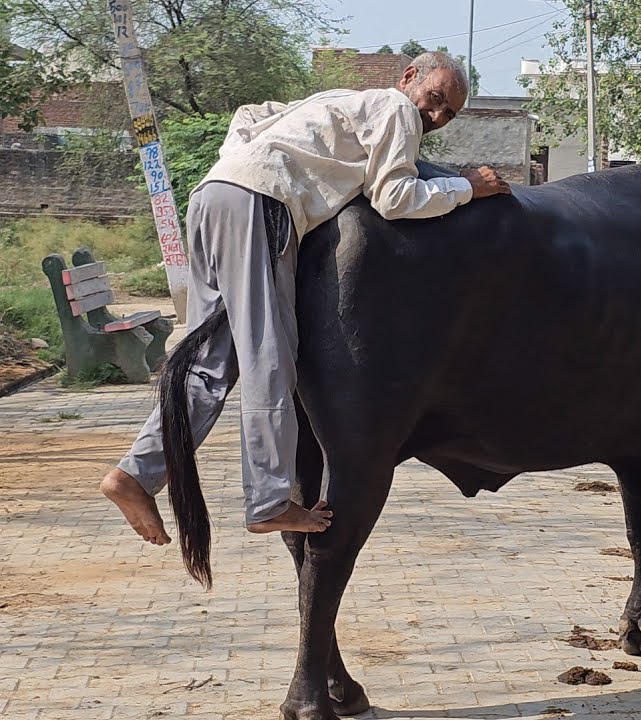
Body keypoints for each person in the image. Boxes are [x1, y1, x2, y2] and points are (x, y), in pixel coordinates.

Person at [100, 51, 511, 545]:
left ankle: (135, 475)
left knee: (211, 364)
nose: (437, 115)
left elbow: (249, 115)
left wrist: (241, 167)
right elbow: (394, 198)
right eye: (436, 97)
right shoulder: (395, 108)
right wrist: (466, 187)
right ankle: (268, 501)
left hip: (213, 195)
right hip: (261, 205)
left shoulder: (335, 101)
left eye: (449, 113)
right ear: (409, 79)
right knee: (268, 357)